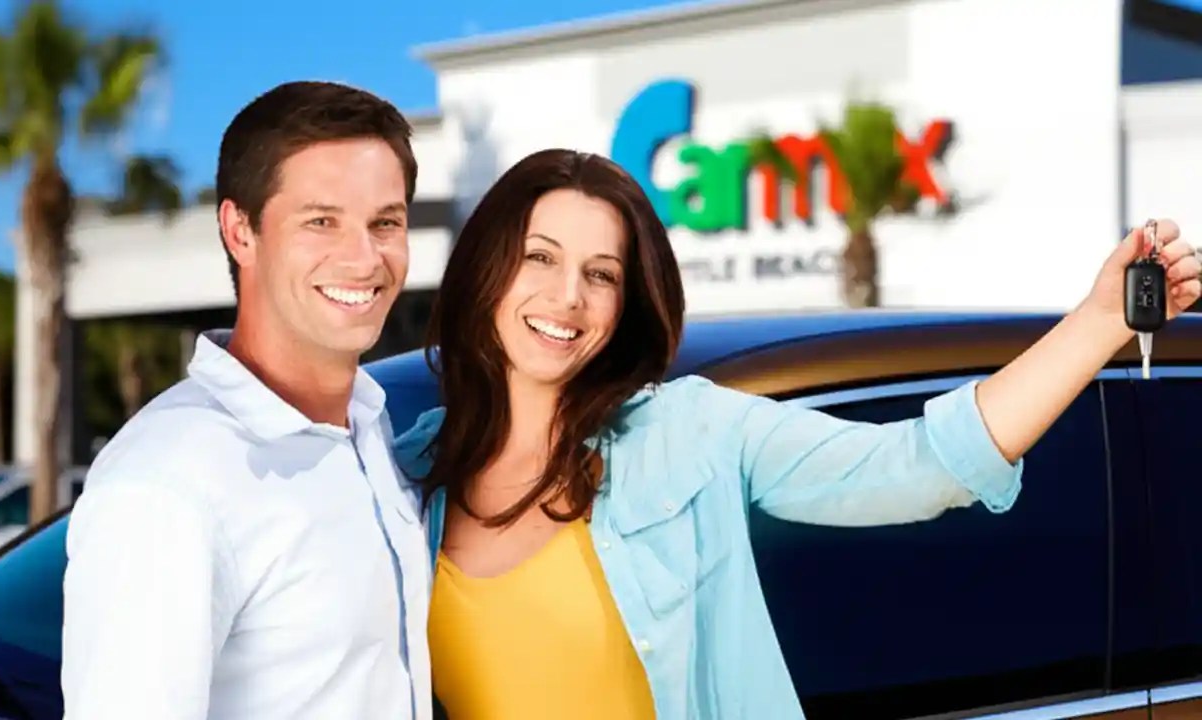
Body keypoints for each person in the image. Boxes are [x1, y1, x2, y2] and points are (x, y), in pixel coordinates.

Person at [392, 148, 1202, 720]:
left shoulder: (690, 433)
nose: (568, 295)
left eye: (601, 274)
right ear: (486, 269)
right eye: (539, 258)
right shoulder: (403, 477)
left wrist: (1101, 321)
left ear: (625, 303)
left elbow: (923, 466)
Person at [61, 81, 432, 720]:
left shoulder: (370, 430)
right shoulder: (167, 481)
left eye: (385, 223)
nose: (365, 258)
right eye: (321, 221)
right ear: (240, 232)